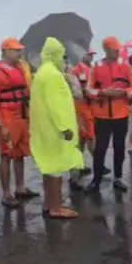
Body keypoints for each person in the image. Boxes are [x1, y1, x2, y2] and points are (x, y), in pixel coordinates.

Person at [29, 37, 84, 219]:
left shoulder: (41, 72)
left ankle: (48, 204)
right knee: (56, 171)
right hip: (55, 130)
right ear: (56, 54)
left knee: (48, 168)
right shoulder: (52, 75)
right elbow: (56, 104)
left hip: (43, 128)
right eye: (62, 55)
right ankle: (56, 207)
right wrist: (64, 128)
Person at [0, 37, 40, 207]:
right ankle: (6, 194)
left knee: (20, 154)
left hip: (21, 115)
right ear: (5, 51)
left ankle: (20, 188)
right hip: (7, 117)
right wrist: (0, 125)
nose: (19, 52)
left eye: (19, 49)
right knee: (6, 156)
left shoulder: (21, 68)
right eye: (16, 50)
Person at [83, 36, 132, 194]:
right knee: (100, 149)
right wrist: (102, 92)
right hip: (101, 116)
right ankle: (96, 180)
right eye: (115, 49)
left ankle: (118, 178)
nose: (117, 51)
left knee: (119, 147)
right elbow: (89, 89)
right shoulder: (96, 67)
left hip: (121, 114)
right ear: (107, 49)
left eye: (118, 49)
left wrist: (124, 93)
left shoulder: (126, 66)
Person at [68, 48, 112, 183]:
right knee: (90, 137)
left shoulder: (92, 68)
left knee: (82, 139)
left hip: (91, 106)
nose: (91, 57)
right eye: (89, 54)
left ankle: (79, 165)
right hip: (81, 106)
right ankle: (99, 165)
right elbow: (72, 88)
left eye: (92, 54)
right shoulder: (76, 70)